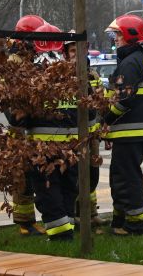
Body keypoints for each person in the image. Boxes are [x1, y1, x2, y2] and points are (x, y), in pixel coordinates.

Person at [26, 24, 80, 241]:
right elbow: (92, 110)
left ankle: (59, 235)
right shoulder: (76, 72)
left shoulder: (33, 74)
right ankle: (68, 227)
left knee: (48, 189)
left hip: (42, 145)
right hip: (72, 146)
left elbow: (19, 117)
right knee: (68, 186)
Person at [105, 14, 143, 235]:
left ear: (129, 35)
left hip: (128, 129)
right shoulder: (140, 58)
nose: (114, 38)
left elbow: (124, 100)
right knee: (121, 176)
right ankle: (120, 221)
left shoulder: (130, 63)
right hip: (134, 130)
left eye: (117, 34)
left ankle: (135, 224)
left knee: (127, 178)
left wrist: (106, 118)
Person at [7, 14, 46, 236]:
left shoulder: (27, 59)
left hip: (25, 124)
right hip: (19, 127)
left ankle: (27, 221)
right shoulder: (17, 63)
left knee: (28, 173)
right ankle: (25, 222)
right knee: (22, 175)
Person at [62, 35, 103, 228]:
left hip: (92, 136)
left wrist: (103, 132)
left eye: (80, 50)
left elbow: (102, 104)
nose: (77, 55)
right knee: (73, 177)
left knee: (92, 175)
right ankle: (75, 215)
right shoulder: (62, 76)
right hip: (71, 137)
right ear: (66, 54)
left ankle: (91, 212)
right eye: (72, 51)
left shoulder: (93, 76)